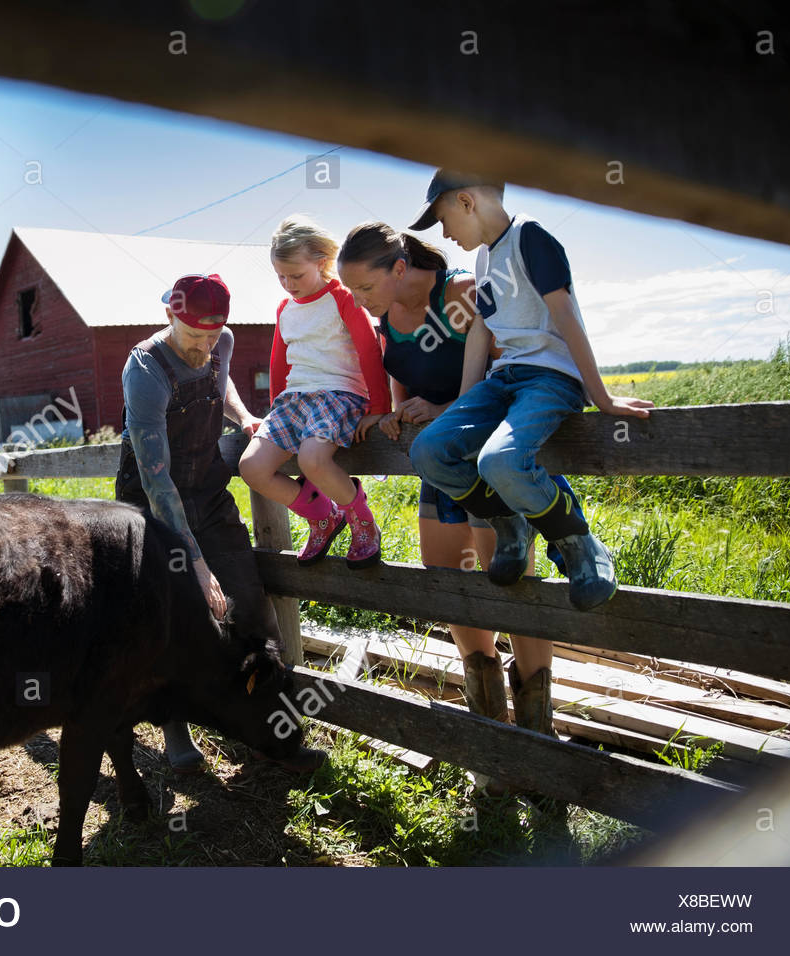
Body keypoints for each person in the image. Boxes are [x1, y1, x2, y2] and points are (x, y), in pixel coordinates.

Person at [337, 220, 586, 788]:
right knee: (449, 580)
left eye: (364, 288)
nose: (358, 301)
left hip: (488, 453)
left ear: (398, 269)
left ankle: (538, 740)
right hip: (440, 465)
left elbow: (510, 373)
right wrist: (394, 412)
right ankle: (492, 746)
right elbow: (402, 388)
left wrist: (442, 404)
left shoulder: (462, 294)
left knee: (512, 587)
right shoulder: (385, 321)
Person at [405, 169, 652, 617]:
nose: (444, 234)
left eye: (444, 220)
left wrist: (603, 397)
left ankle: (579, 544)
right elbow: (480, 332)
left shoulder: (530, 237)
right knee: (429, 451)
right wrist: (460, 406)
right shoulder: (483, 259)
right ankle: (510, 524)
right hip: (504, 378)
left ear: (466, 202)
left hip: (549, 377)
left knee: (499, 460)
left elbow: (567, 318)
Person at [116, 272, 326, 775]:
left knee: (251, 609)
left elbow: (221, 378)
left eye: (213, 336)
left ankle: (270, 739)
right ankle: (174, 726)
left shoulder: (221, 342)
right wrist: (194, 561)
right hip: (151, 500)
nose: (204, 346)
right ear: (170, 315)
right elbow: (157, 478)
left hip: (208, 493)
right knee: (177, 615)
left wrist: (243, 417)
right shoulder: (144, 369)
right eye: (194, 336)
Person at [238, 216, 393, 569]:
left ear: (321, 263)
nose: (288, 284)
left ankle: (361, 519)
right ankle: (323, 517)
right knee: (251, 466)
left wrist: (379, 406)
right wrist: (275, 413)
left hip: (338, 394)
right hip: (293, 401)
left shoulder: (342, 297)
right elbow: (278, 364)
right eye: (281, 276)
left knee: (312, 459)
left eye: (296, 275)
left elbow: (369, 349)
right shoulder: (284, 309)